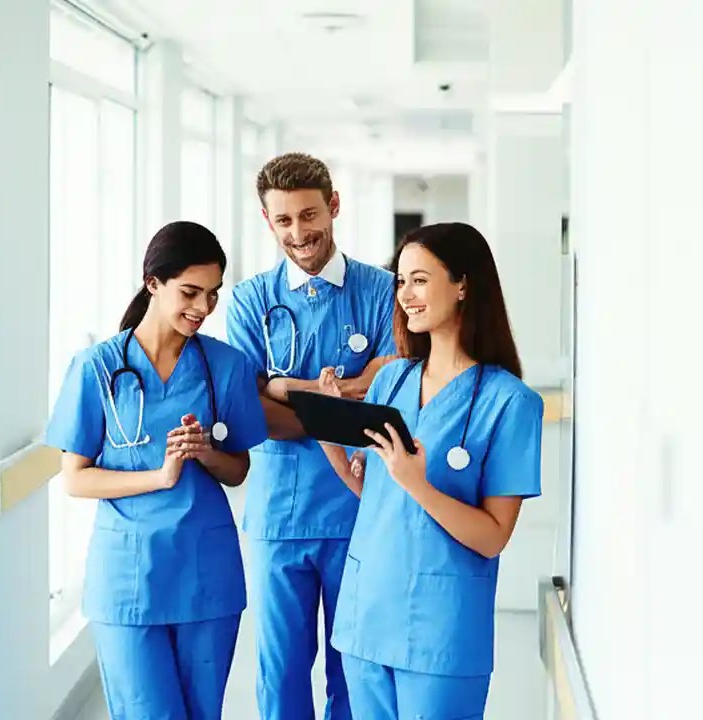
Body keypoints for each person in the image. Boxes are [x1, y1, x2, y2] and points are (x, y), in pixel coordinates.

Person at [318, 222, 543, 719]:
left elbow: (492, 536)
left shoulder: (510, 403)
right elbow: (376, 494)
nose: (406, 295)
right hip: (367, 614)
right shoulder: (391, 380)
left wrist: (416, 482)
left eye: (419, 280)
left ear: (463, 283)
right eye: (400, 282)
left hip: (441, 626)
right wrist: (331, 433)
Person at [45, 221, 267, 720]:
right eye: (190, 292)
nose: (203, 309)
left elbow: (238, 470)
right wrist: (159, 476)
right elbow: (76, 478)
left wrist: (207, 452)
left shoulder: (225, 367)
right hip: (127, 579)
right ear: (153, 283)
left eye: (212, 295)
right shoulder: (97, 368)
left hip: (205, 576)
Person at [225, 152, 396, 719]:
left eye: (309, 215)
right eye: (284, 221)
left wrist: (292, 389)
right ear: (268, 221)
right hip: (279, 513)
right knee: (281, 668)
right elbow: (251, 402)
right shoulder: (251, 300)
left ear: (334, 207)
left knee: (356, 662)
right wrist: (342, 394)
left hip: (358, 506)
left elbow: (389, 379)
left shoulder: (379, 290)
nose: (299, 233)